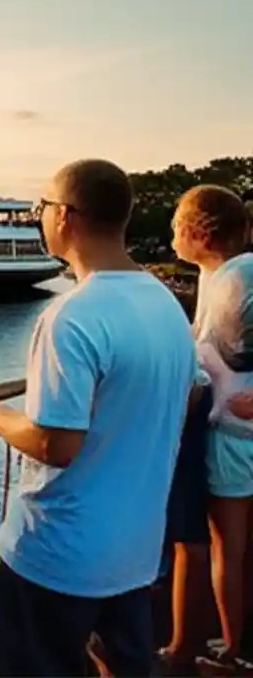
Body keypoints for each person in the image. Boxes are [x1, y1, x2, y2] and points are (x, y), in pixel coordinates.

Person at [0, 159, 196, 676]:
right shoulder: (166, 305)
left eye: (43, 207)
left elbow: (57, 444)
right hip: (134, 553)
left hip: (55, 556)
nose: (40, 216)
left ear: (67, 217)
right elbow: (184, 401)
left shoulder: (73, 316)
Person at [171, 184, 253, 670]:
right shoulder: (225, 277)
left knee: (229, 547)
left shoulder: (235, 279)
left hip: (233, 434)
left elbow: (206, 366)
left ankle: (232, 649)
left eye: (178, 223)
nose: (172, 233)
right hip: (237, 428)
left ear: (199, 232)